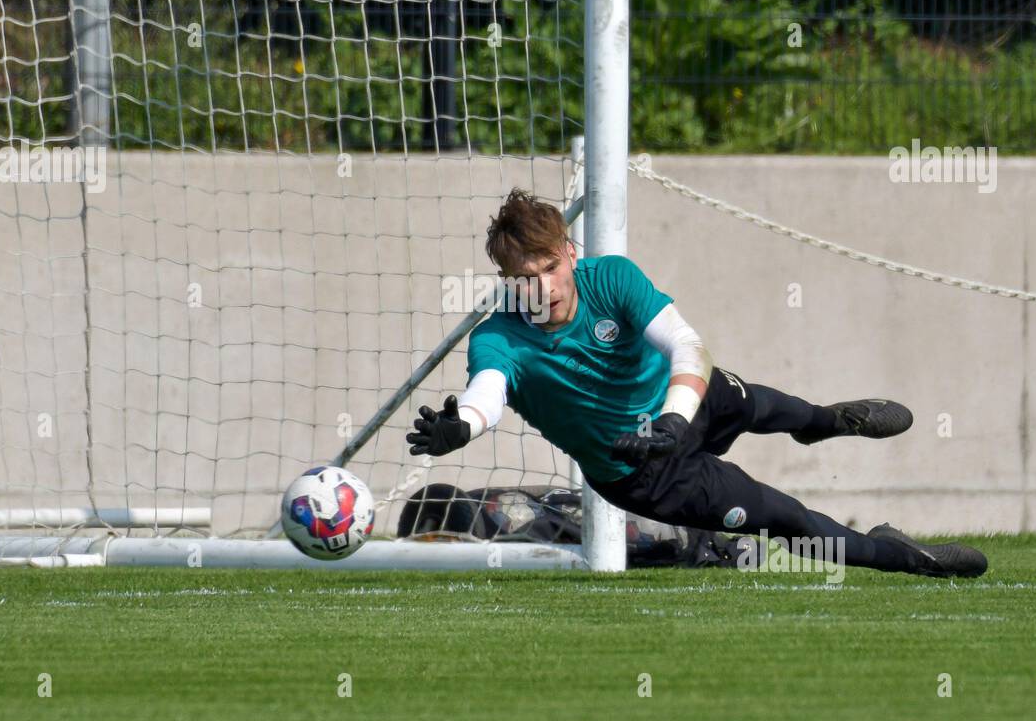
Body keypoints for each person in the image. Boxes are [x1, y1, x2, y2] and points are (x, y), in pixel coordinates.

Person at [407, 189, 986, 578]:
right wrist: (461, 427)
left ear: (570, 253)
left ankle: (825, 424)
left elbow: (687, 346)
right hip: (645, 471)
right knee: (786, 519)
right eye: (525, 279)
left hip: (678, 408)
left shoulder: (611, 278)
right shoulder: (499, 338)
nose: (544, 288)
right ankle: (904, 554)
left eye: (551, 269)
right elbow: (487, 391)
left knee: (764, 404)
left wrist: (673, 418)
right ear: (508, 281)